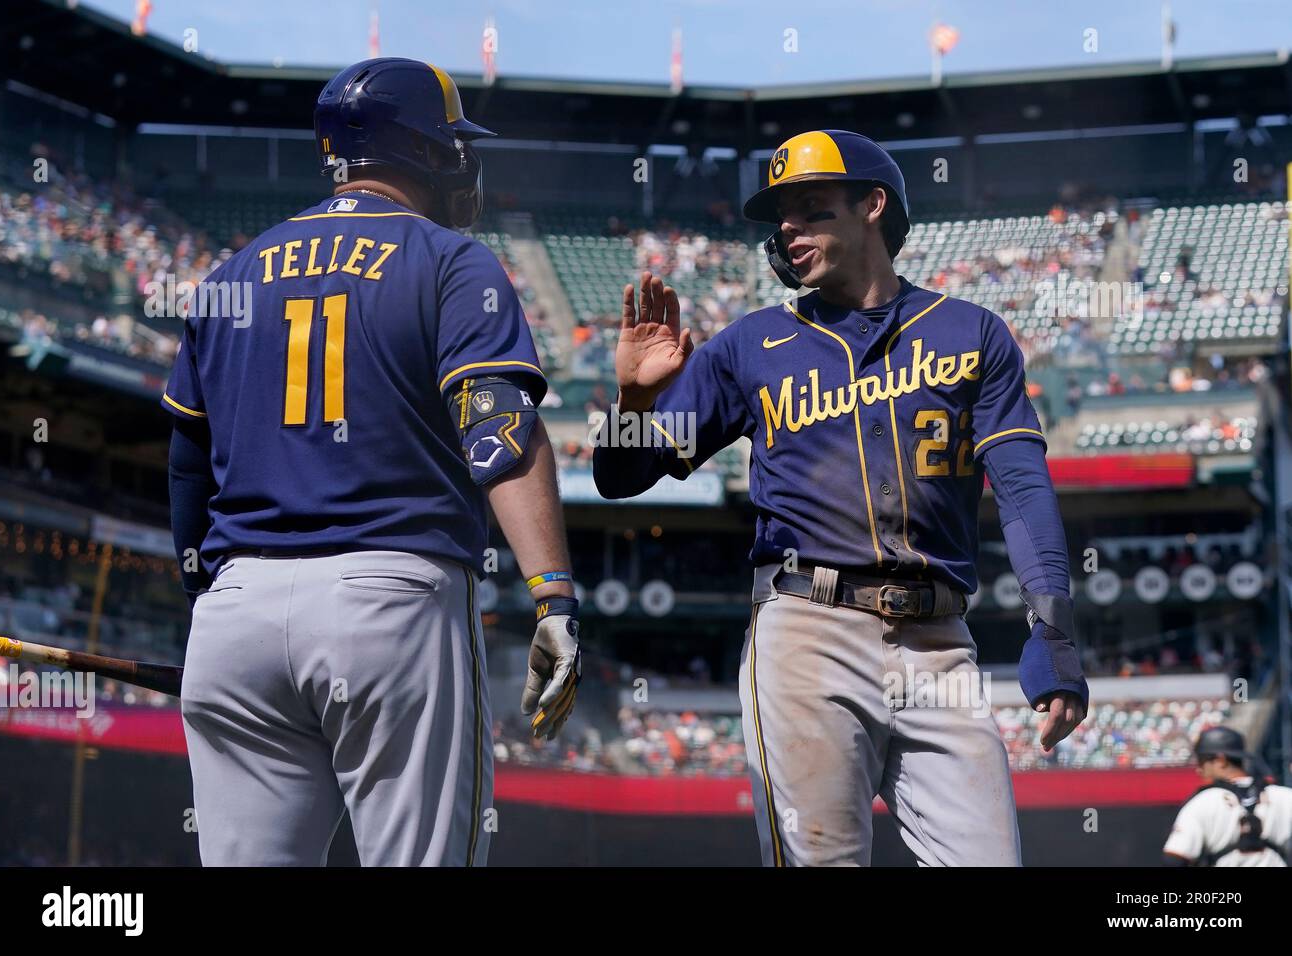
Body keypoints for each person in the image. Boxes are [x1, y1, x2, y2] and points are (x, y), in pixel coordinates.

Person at [593, 130, 1087, 866]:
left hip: (940, 644)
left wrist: (1053, 631)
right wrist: (633, 396)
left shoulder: (971, 332)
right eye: (780, 218)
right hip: (806, 629)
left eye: (810, 208)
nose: (787, 228)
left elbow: (1020, 490)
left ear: (872, 206)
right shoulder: (747, 345)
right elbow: (621, 475)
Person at [163, 58, 581, 866]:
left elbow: (188, 459)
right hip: (388, 599)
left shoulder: (231, 273)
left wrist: (204, 597)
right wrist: (552, 597)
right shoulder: (452, 261)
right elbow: (498, 429)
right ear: (433, 153)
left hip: (236, 609)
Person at [1163, 727, 1291, 866]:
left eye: (1201, 761)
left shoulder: (1203, 801)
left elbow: (1175, 859)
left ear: (1220, 760)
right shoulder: (1284, 796)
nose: (1198, 769)